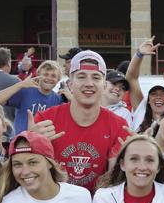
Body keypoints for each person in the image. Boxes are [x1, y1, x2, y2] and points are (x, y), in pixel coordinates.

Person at [29, 50, 130, 191]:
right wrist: (30, 145)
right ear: (70, 84)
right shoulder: (46, 120)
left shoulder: (119, 126)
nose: (89, 83)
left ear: (104, 85)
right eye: (81, 77)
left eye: (96, 77)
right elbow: (27, 171)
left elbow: (116, 182)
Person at [0, 60, 63, 135]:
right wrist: (19, 85)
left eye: (53, 76)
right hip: (21, 143)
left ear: (58, 80)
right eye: (45, 74)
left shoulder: (58, 99)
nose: (49, 78)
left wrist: (70, 97)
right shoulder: (26, 91)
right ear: (38, 75)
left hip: (45, 143)